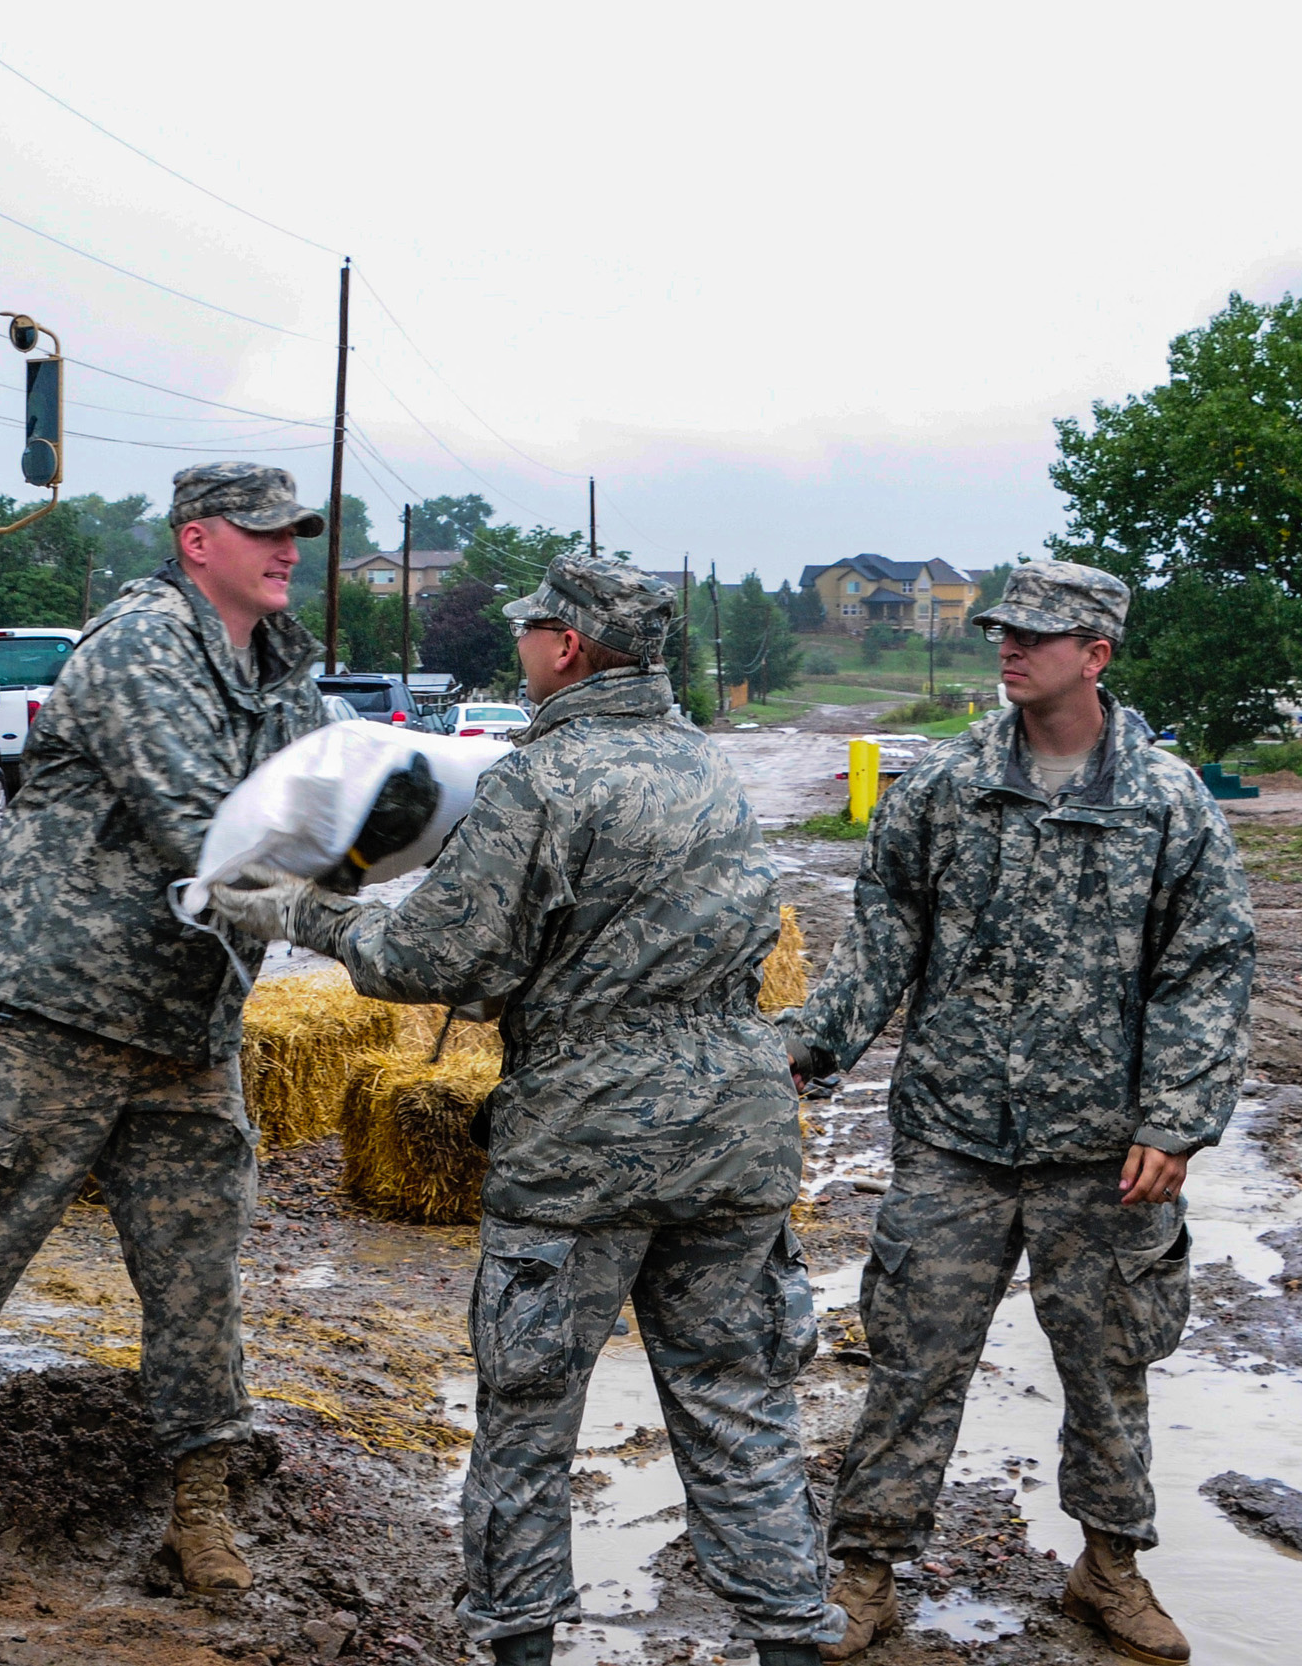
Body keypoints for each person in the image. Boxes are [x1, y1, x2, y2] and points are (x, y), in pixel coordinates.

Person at [208, 553, 847, 1666]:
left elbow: (430, 955)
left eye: (532, 631)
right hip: (738, 1132)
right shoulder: (708, 770)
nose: (522, 647)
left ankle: (518, 1645)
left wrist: (296, 913)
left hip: (585, 1140)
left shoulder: (537, 781)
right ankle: (791, 1640)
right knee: (740, 1408)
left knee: (529, 1419)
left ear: (569, 647)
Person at [0, 462, 327, 1594]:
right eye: (264, 532)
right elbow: (211, 829)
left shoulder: (283, 669)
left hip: (184, 1025)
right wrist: (349, 921)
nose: (289, 548)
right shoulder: (140, 645)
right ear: (197, 541)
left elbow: (332, 799)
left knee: (199, 1278)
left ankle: (199, 1516)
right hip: (55, 1016)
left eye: (296, 530)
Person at [779, 560, 1255, 1665]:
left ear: (1096, 653)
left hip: (1106, 1152)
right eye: (1003, 629)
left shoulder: (1167, 799)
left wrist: (1175, 1116)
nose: (1009, 647)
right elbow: (883, 937)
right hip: (955, 1136)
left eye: (1037, 635)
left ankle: (1109, 1569)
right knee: (912, 1356)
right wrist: (808, 1051)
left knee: (1109, 1364)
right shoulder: (945, 785)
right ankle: (864, 1571)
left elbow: (1208, 966)